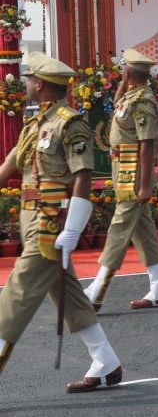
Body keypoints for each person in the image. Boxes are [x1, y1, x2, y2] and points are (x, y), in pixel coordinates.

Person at [0, 53, 122, 392]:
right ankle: (106, 361)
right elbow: (11, 166)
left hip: (51, 223)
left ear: (39, 84)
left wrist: (72, 229)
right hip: (32, 218)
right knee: (66, 293)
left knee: (17, 293)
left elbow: (84, 176)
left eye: (28, 80)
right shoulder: (36, 123)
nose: (24, 84)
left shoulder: (70, 123)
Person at [84, 49, 158, 311]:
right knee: (141, 229)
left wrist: (146, 185)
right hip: (122, 165)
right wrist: (124, 83)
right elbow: (117, 102)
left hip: (132, 169)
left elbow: (147, 144)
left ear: (128, 71)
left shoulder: (143, 100)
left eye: (124, 70)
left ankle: (98, 288)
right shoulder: (130, 96)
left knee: (120, 226)